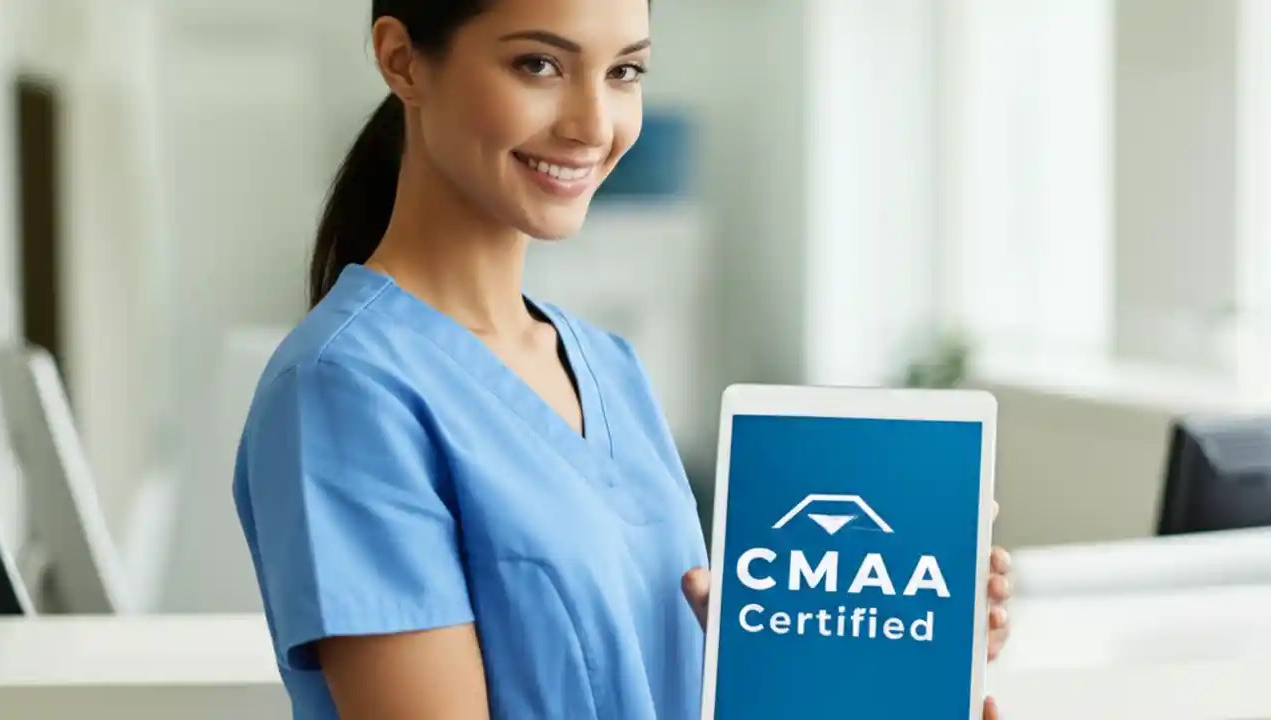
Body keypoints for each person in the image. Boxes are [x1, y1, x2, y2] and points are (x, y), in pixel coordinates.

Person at [231, 1, 1014, 718]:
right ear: (402, 60)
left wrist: (874, 659)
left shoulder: (609, 365)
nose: (593, 125)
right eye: (539, 64)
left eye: (625, 71)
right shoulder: (346, 391)